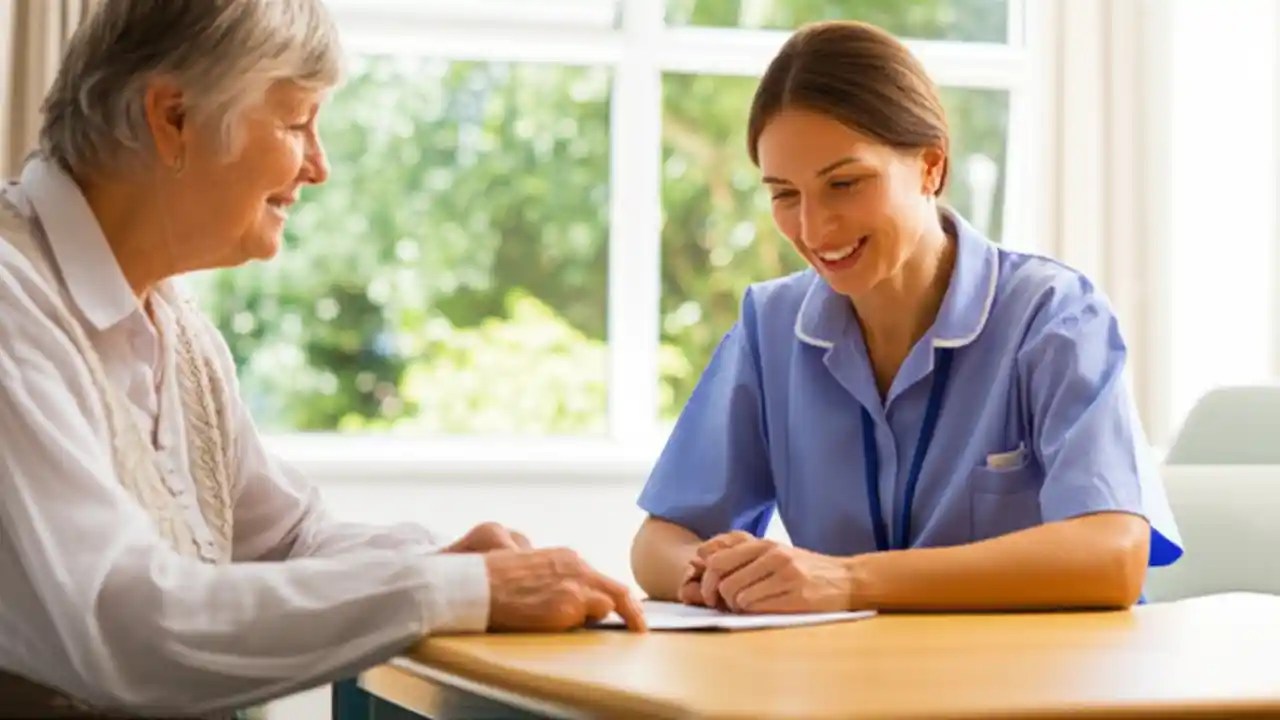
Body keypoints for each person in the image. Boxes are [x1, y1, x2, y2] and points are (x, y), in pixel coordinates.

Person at [0, 1, 644, 716]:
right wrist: (464, 592)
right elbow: (122, 628)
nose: (320, 166)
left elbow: (288, 538)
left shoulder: (174, 330)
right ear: (172, 117)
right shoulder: (11, 304)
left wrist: (448, 563)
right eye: (296, 122)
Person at [630, 20, 1182, 615]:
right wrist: (724, 576)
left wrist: (848, 582)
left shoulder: (1054, 318)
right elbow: (659, 541)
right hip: (855, 692)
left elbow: (1113, 555)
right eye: (785, 194)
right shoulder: (770, 328)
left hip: (1039, 691)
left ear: (931, 169)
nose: (814, 230)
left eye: (844, 183)